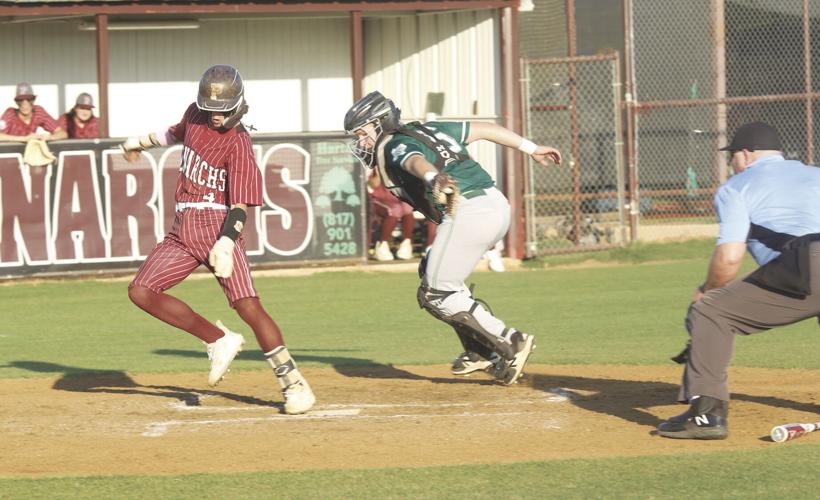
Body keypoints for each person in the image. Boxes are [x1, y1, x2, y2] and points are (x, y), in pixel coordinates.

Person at [121, 64, 315, 415]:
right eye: (210, 109)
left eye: (223, 110)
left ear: (239, 105)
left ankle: (294, 384)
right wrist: (141, 142)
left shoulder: (239, 141)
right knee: (141, 291)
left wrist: (226, 242)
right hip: (182, 229)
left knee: (247, 307)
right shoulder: (196, 114)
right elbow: (174, 133)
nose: (215, 116)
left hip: (218, 228)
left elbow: (240, 205)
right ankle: (217, 339)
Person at [344, 91, 561, 385]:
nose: (361, 142)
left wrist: (434, 178)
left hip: (468, 211)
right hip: (494, 204)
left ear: (380, 123)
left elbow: (414, 161)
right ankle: (480, 351)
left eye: (362, 133)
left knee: (437, 293)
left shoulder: (393, 143)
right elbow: (488, 129)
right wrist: (531, 148)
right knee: (432, 277)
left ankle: (511, 342)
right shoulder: (429, 128)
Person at [657, 122, 820, 440]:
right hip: (803, 266)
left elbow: (730, 257)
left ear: (745, 155)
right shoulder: (815, 173)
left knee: (710, 311)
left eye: (732, 155)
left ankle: (706, 416)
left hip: (805, 262)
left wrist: (707, 292)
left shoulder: (737, 186)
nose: (732, 162)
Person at [368, 168, 435, 261]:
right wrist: (380, 172)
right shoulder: (377, 168)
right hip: (379, 201)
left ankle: (406, 244)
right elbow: (373, 185)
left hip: (397, 202)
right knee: (396, 210)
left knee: (407, 208)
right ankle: (381, 244)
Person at [0, 83, 67, 142]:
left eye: (29, 100)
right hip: (9, 153)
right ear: (16, 102)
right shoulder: (10, 113)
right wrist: (24, 139)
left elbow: (62, 133)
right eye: (20, 100)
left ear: (33, 100)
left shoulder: (38, 112)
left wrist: (48, 137)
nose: (25, 104)